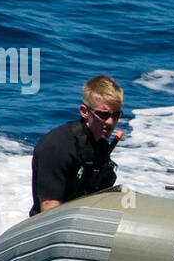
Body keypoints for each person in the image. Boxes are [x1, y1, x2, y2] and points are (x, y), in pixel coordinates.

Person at [29, 76, 124, 216]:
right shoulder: (58, 147)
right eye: (103, 115)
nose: (110, 122)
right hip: (50, 227)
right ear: (84, 111)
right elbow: (49, 210)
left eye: (115, 115)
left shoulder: (99, 143)